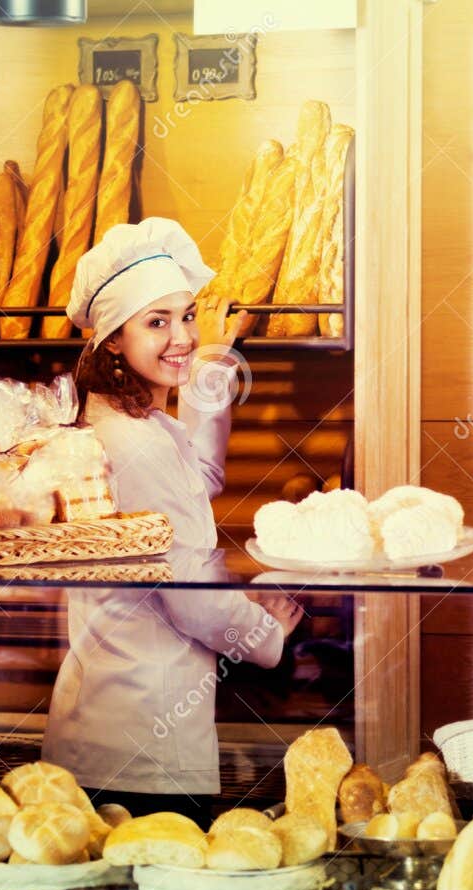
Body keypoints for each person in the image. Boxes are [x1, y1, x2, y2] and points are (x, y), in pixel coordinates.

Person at [43, 218, 303, 819]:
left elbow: (194, 480)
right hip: (144, 740)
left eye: (186, 316)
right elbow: (191, 598)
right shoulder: (139, 443)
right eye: (156, 322)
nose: (181, 335)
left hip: (106, 725)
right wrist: (266, 634)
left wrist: (210, 366)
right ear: (112, 339)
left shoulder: (120, 425)